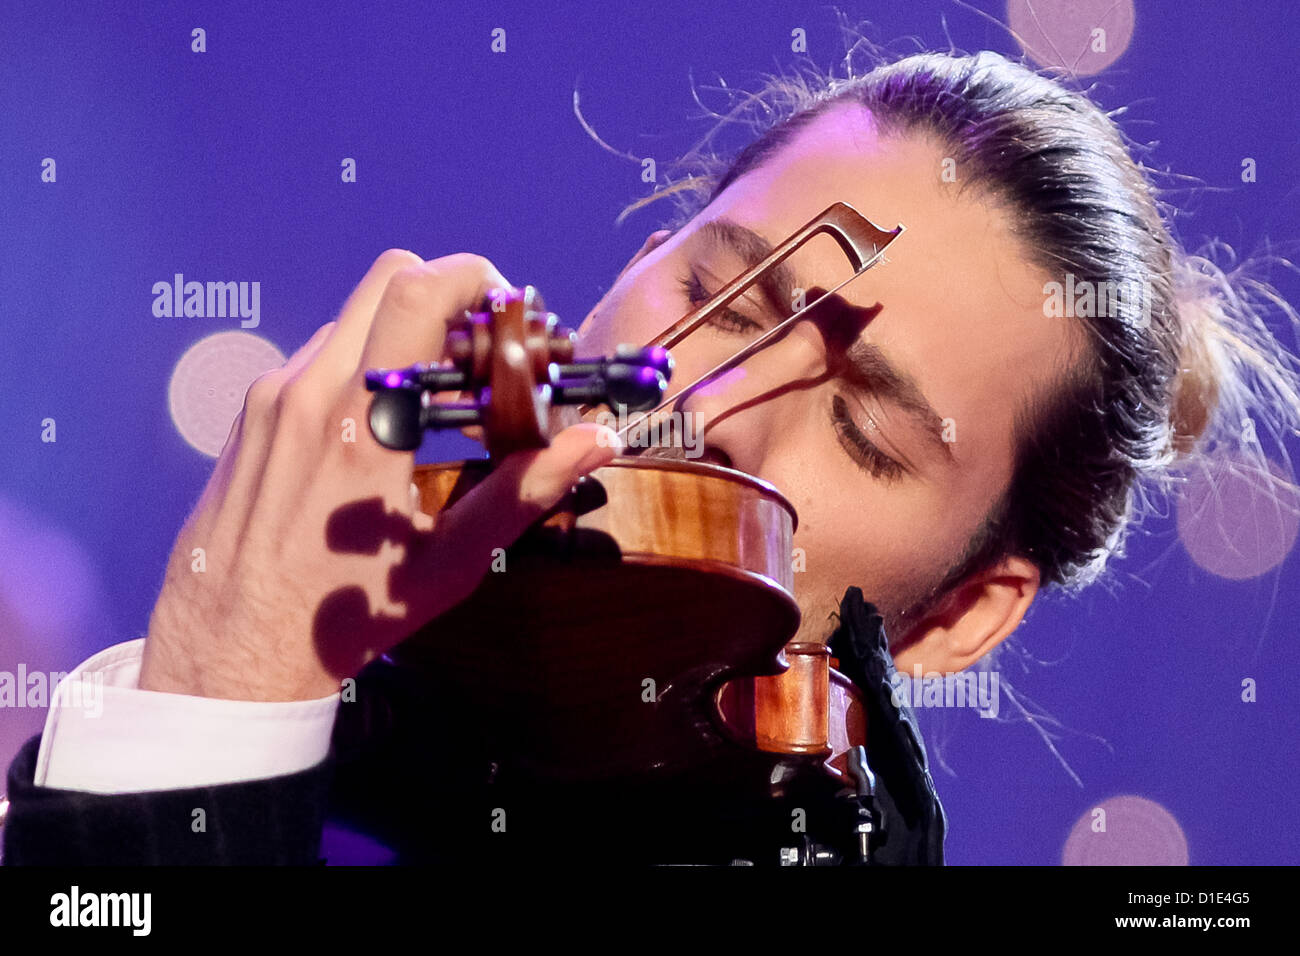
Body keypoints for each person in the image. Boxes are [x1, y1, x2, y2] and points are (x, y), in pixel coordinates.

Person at [4, 50, 1296, 865]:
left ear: (962, 616)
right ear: (640, 256)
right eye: (727, 302)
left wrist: (235, 667)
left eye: (860, 429)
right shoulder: (359, 699)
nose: (716, 406)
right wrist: (228, 682)